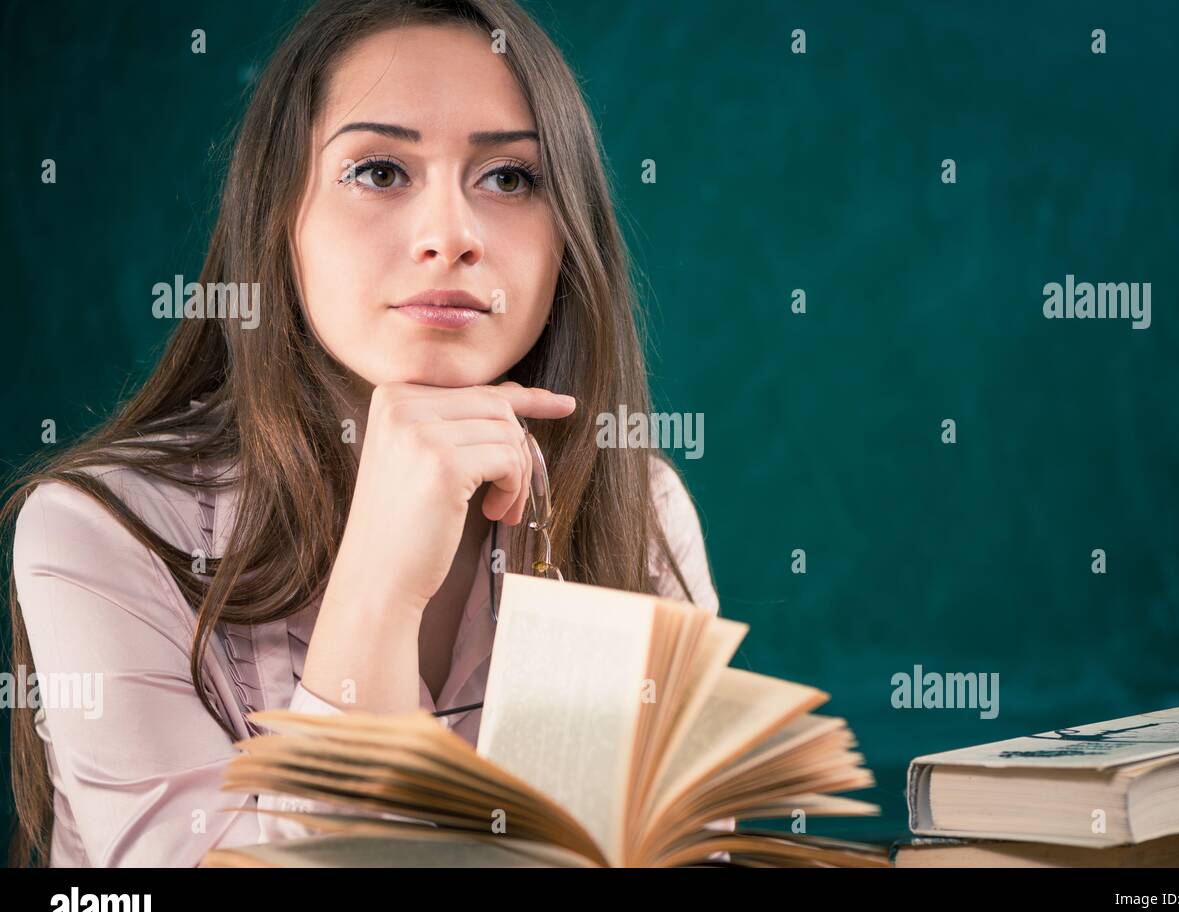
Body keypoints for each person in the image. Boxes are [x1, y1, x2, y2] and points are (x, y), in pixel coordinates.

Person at [3, 0, 730, 868]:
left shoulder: (636, 504)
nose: (450, 236)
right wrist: (379, 586)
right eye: (380, 171)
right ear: (280, 220)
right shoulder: (97, 532)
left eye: (508, 178)